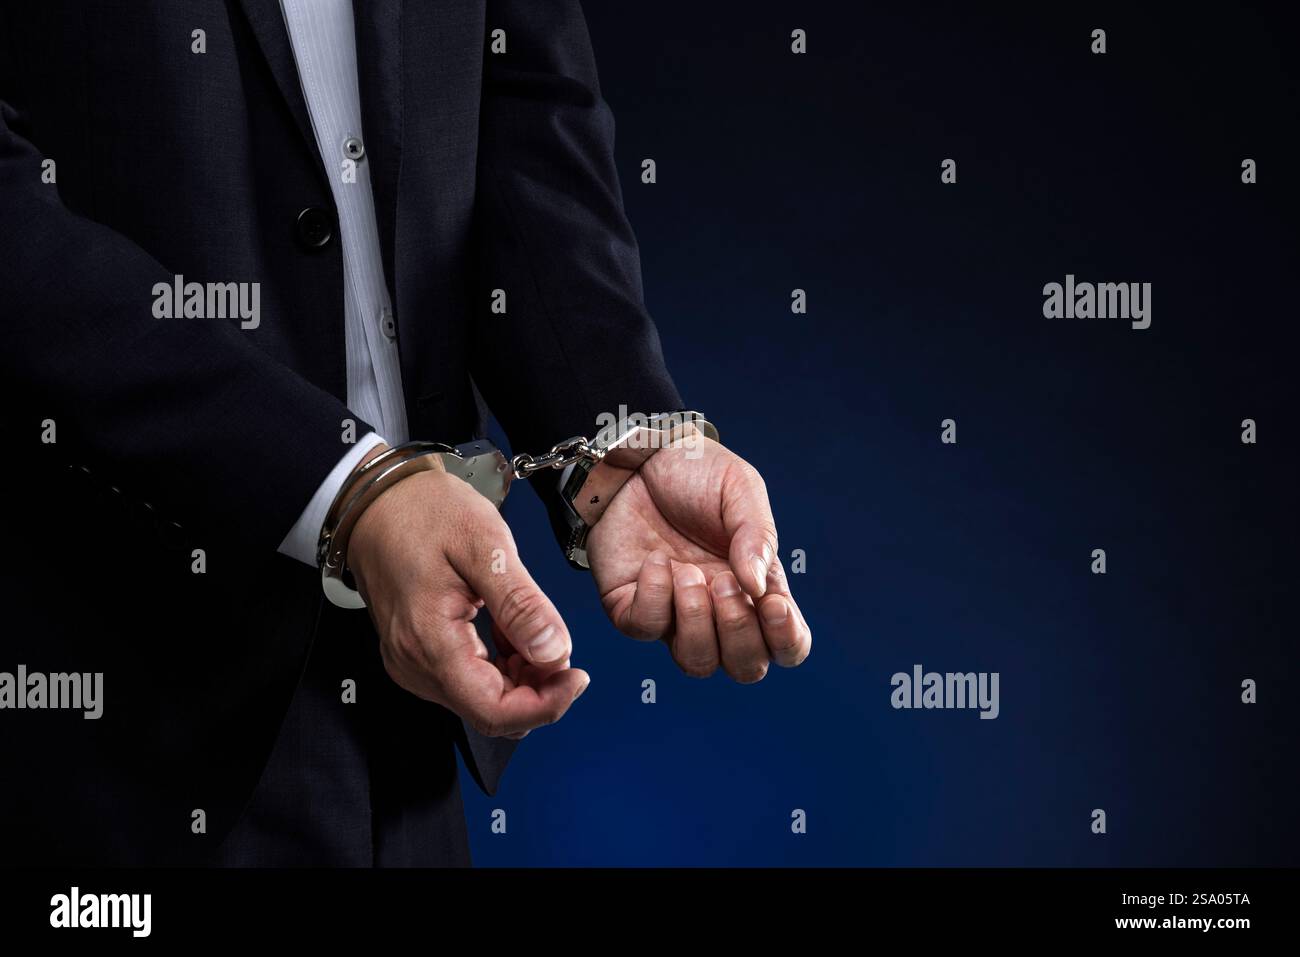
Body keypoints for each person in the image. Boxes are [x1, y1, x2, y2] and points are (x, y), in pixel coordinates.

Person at [0, 0, 810, 866]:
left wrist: (619, 433)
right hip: (97, 715)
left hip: (418, 693)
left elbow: (523, 103)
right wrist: (342, 483)